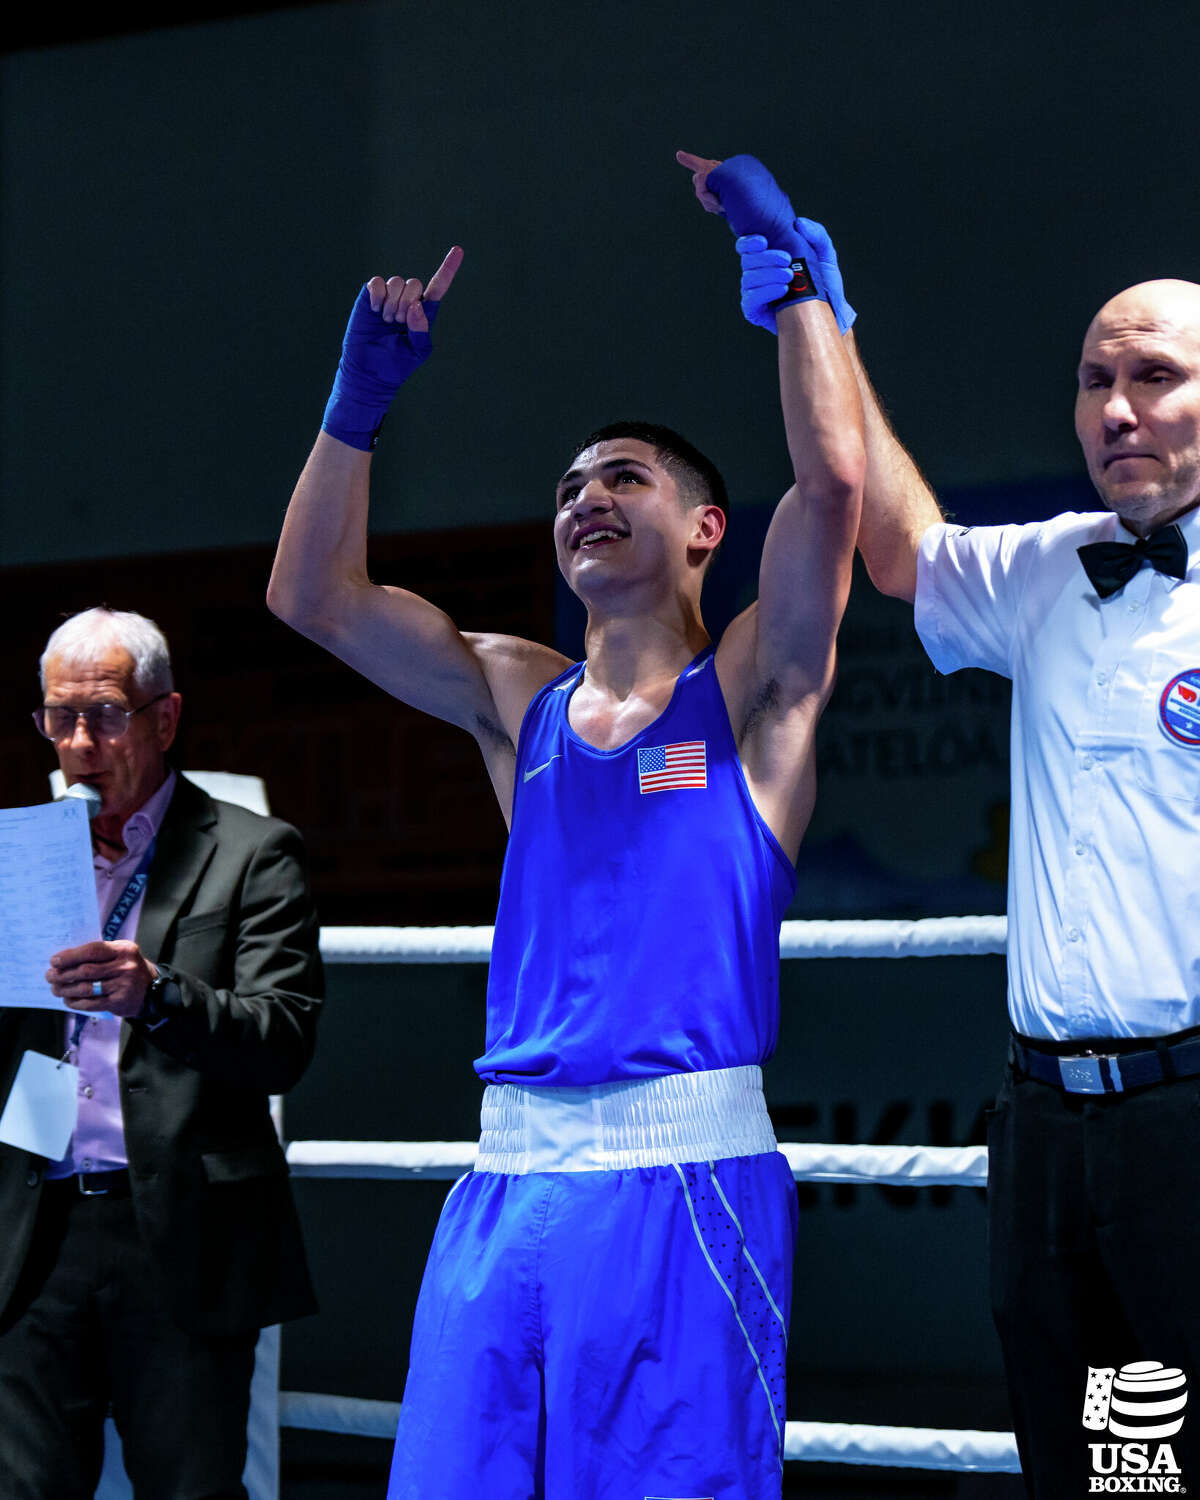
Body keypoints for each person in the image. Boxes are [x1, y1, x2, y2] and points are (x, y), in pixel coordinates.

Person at [268, 151, 864, 1498]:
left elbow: (833, 490)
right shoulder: (512, 699)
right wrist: (357, 408)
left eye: (625, 479)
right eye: (569, 488)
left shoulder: (755, 690)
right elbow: (313, 599)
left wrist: (795, 296)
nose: (586, 496)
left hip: (683, 1183)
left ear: (705, 527)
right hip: (508, 1186)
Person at [726, 173, 1198, 1495]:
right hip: (1049, 1128)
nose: (1116, 409)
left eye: (1154, 377)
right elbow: (899, 550)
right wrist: (823, 318)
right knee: (1096, 1463)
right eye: (1095, 381)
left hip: (1192, 1121)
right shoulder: (1052, 568)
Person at [0, 606, 324, 1500]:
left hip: (184, 1233)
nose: (79, 743)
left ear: (165, 717)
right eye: (59, 717)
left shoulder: (253, 852)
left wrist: (158, 995)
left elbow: (283, 1040)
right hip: (33, 1230)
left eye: (105, 715)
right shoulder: (21, 859)